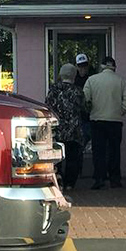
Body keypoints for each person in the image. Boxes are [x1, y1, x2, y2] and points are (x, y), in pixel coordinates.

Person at [83, 56, 126, 189]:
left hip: (97, 120)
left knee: (99, 151)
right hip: (115, 121)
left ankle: (99, 179)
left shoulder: (91, 80)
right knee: (114, 151)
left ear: (102, 66)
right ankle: (115, 179)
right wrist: (118, 112)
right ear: (114, 67)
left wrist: (91, 111)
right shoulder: (121, 81)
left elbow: (85, 100)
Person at [45, 63, 85, 192]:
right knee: (73, 158)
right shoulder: (78, 91)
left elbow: (48, 107)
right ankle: (70, 183)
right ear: (74, 75)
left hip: (57, 130)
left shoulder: (54, 90)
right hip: (74, 130)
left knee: (57, 158)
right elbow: (84, 108)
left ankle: (59, 181)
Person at [74, 52, 95, 147]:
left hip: (89, 116)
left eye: (84, 66)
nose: (83, 68)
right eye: (80, 66)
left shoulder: (92, 78)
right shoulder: (73, 79)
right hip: (77, 116)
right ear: (76, 66)